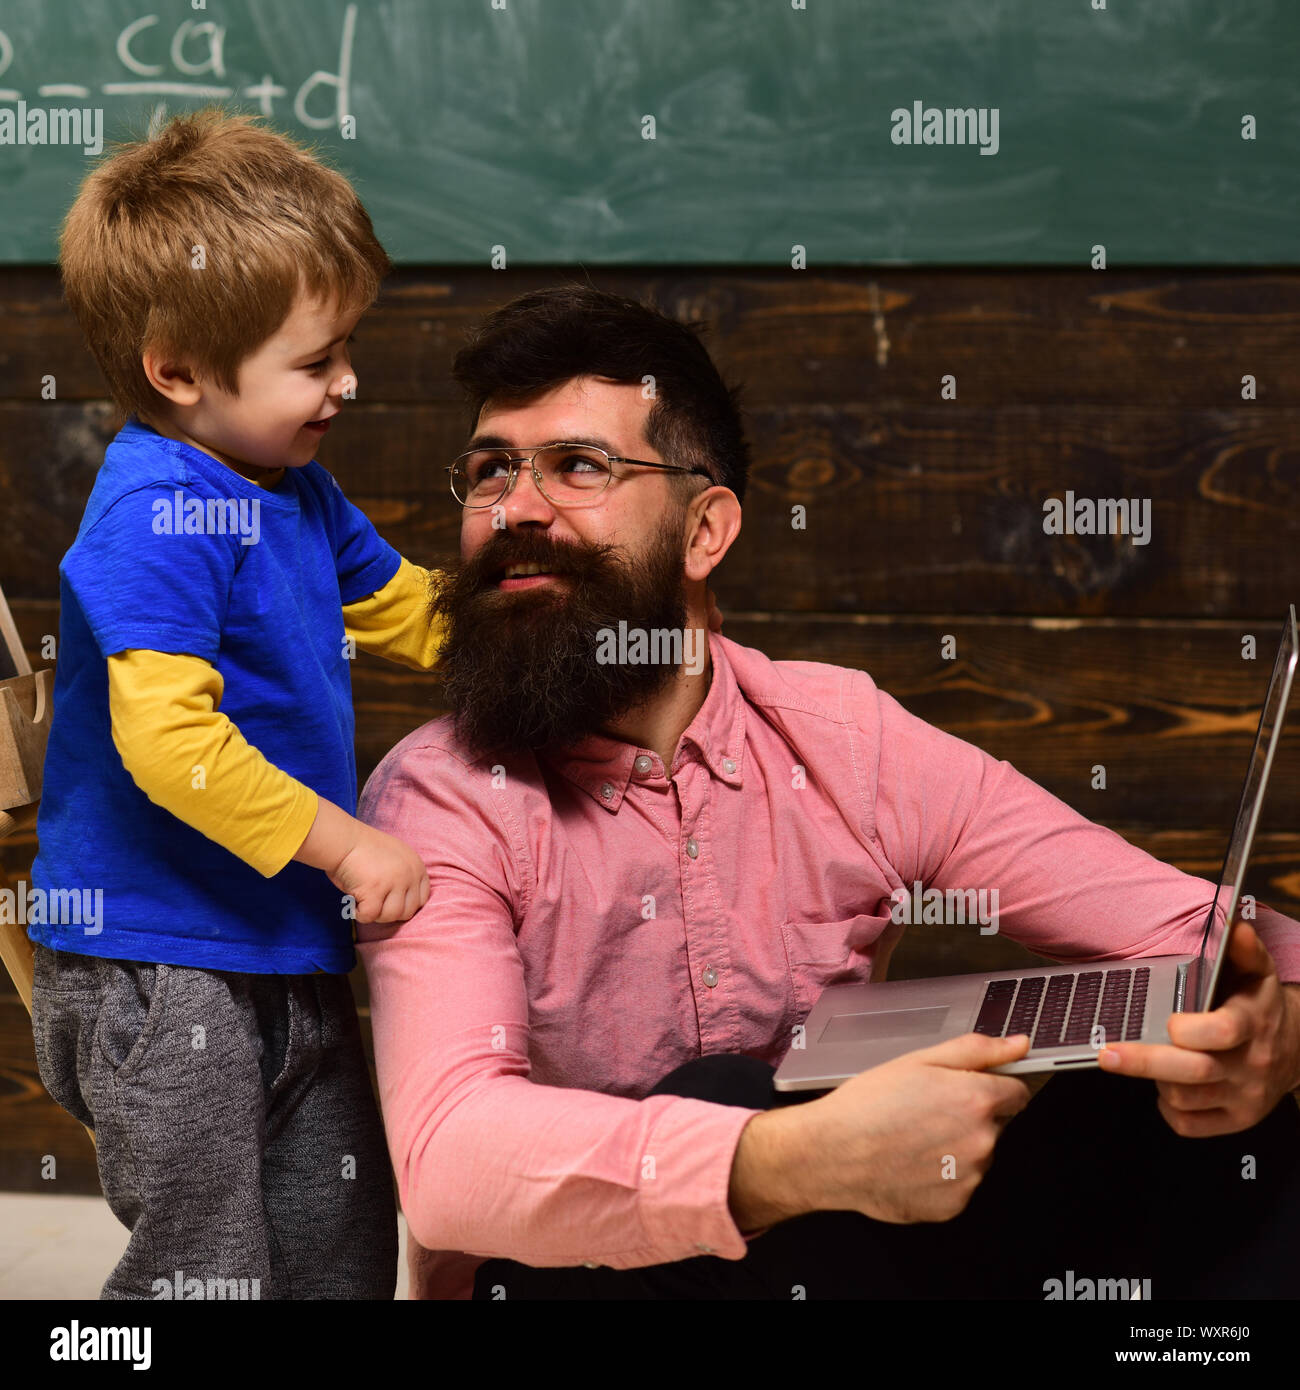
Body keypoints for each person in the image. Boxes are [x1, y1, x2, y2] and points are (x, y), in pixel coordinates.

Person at [356, 284, 1300, 1300]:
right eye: (491, 468)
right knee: (729, 1096)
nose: (515, 510)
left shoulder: (843, 739)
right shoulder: (440, 795)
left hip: (833, 1268)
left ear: (705, 530)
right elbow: (450, 1159)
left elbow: (1216, 935)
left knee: (1163, 1103)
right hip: (556, 1280)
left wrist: (1271, 1030)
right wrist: (800, 1154)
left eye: (577, 466)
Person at [30, 108, 439, 1299]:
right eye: (317, 361)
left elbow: (409, 612)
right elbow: (170, 746)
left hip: (281, 951)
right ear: (178, 371)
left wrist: (550, 617)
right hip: (159, 967)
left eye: (347, 347)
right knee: (205, 1272)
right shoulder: (155, 513)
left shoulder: (291, 489)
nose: (348, 382)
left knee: (342, 1251)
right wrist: (348, 839)